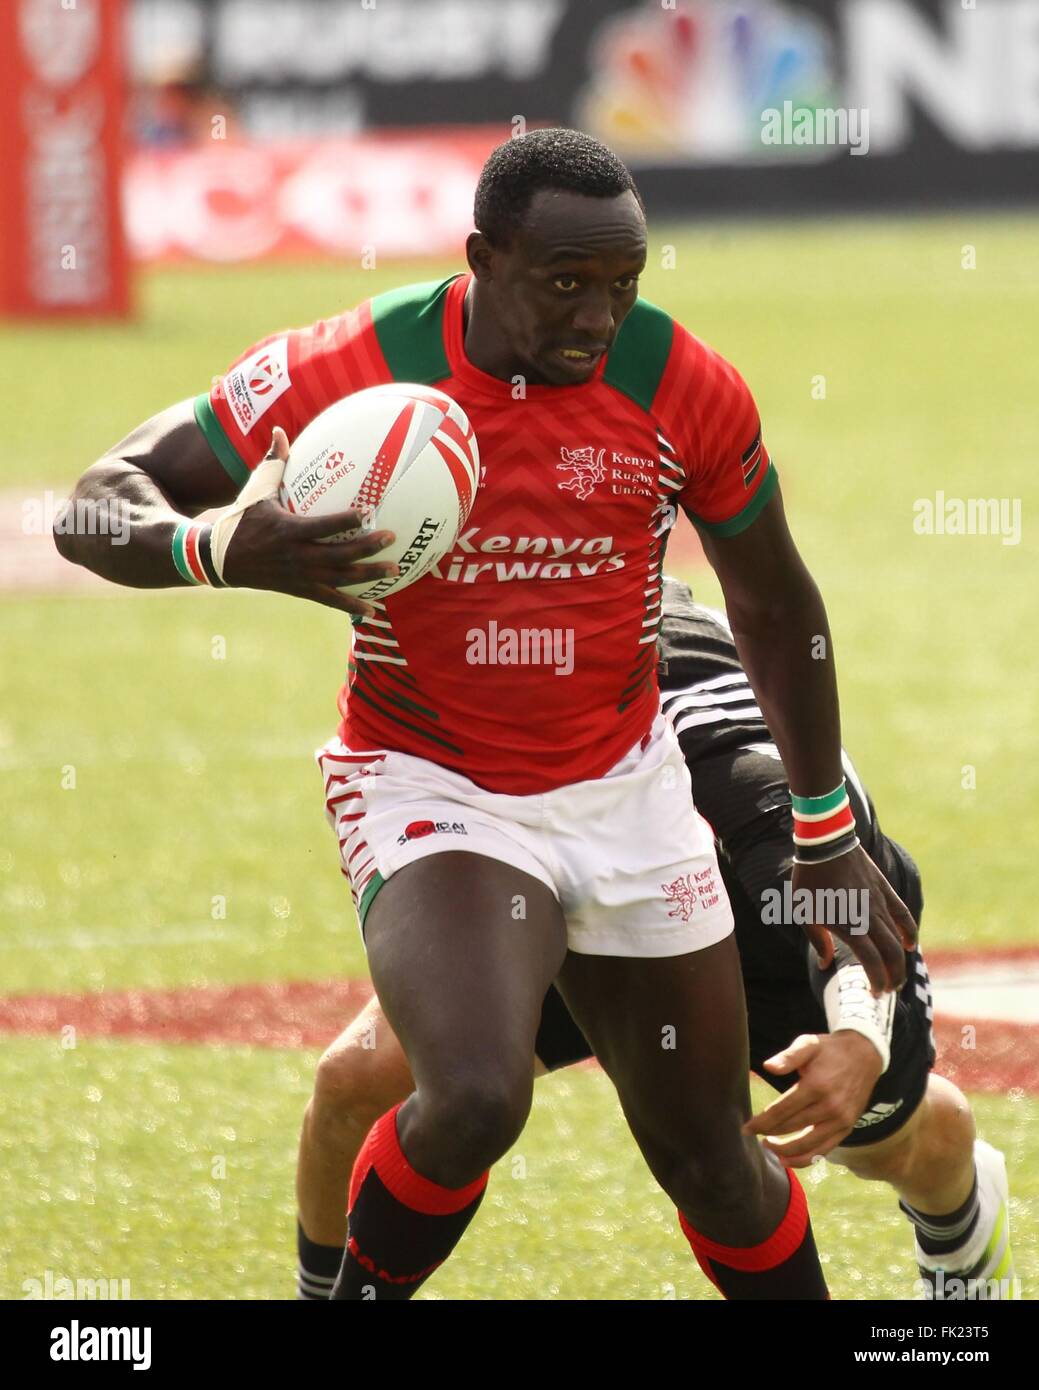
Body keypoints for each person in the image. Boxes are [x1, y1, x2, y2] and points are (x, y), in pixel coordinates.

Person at [55, 128, 915, 1301]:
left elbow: (774, 600)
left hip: (625, 789)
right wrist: (211, 545)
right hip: (429, 780)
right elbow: (95, 507)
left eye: (623, 285)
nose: (598, 318)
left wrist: (827, 829)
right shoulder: (359, 360)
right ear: (482, 258)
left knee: (716, 1163)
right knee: (472, 1093)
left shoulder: (682, 385)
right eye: (565, 284)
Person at [296, 581, 1017, 1301]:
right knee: (358, 1081)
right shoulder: (508, 685)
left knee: (881, 1139)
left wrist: (859, 1036)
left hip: (758, 918)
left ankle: (959, 1226)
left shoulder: (732, 761)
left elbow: (833, 887)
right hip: (568, 876)